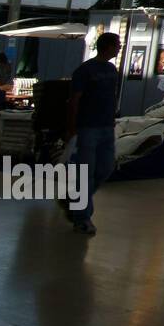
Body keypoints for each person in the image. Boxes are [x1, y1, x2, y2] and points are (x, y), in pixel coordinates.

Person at [64, 32, 122, 235]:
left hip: (106, 127)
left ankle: (75, 198)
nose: (120, 48)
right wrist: (72, 127)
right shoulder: (85, 70)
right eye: (117, 45)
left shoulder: (112, 70)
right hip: (88, 127)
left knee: (104, 169)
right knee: (85, 172)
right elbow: (75, 100)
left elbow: (111, 96)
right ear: (107, 47)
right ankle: (82, 217)